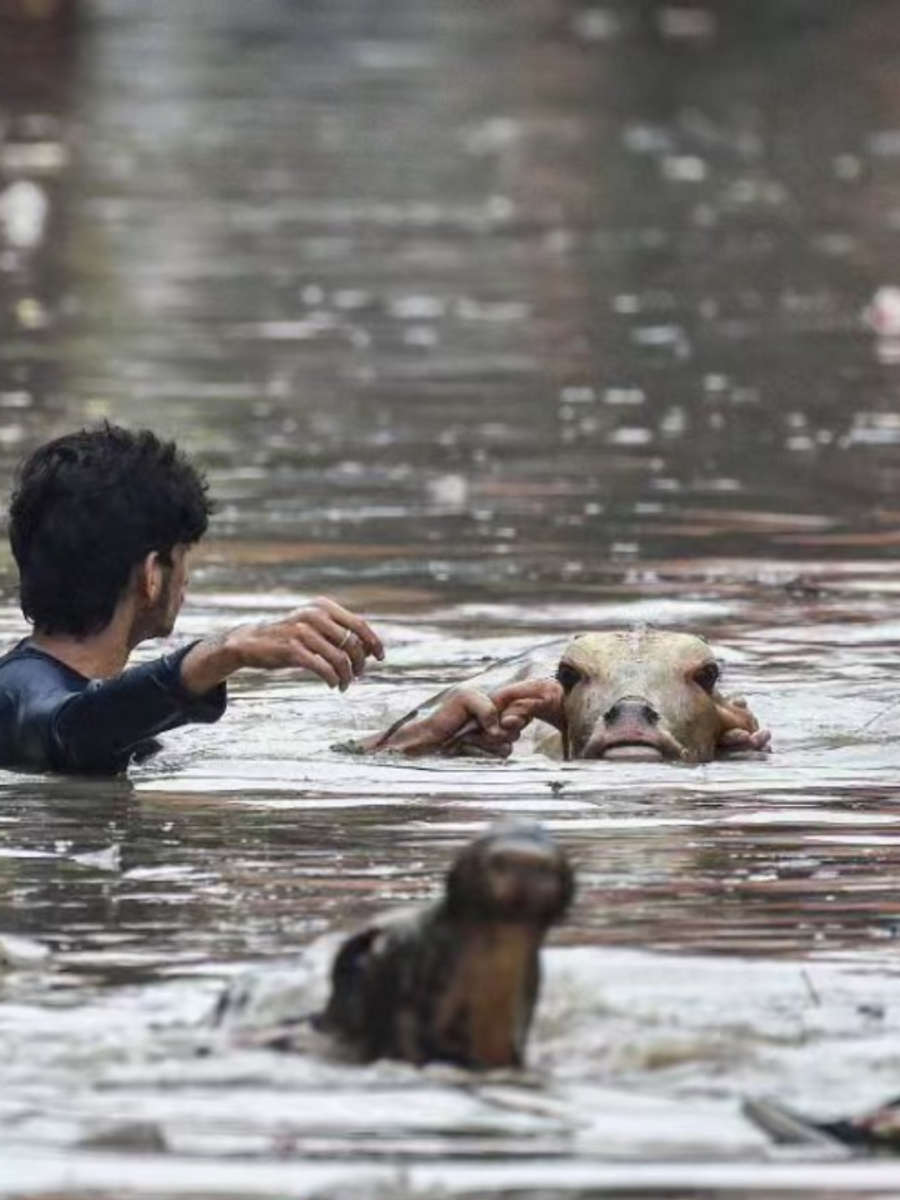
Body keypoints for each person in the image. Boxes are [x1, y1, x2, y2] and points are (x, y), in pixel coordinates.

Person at [0, 424, 558, 775]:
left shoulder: (85, 710)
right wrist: (221, 653)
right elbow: (68, 730)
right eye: (184, 558)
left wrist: (413, 741)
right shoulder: (21, 693)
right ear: (152, 574)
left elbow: (101, 733)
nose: (186, 582)